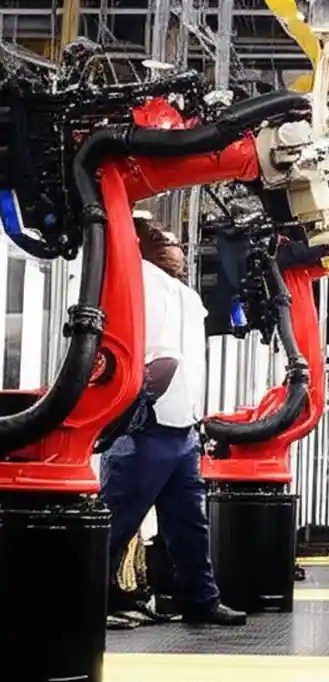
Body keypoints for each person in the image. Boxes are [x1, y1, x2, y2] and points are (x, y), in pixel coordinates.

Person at [100, 217, 245, 627]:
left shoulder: (183, 293)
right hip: (147, 425)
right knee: (117, 520)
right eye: (162, 241)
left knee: (189, 525)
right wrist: (136, 408)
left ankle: (200, 600)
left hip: (182, 427)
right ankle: (83, 602)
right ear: (139, 245)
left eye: (177, 243)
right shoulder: (138, 278)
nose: (175, 249)